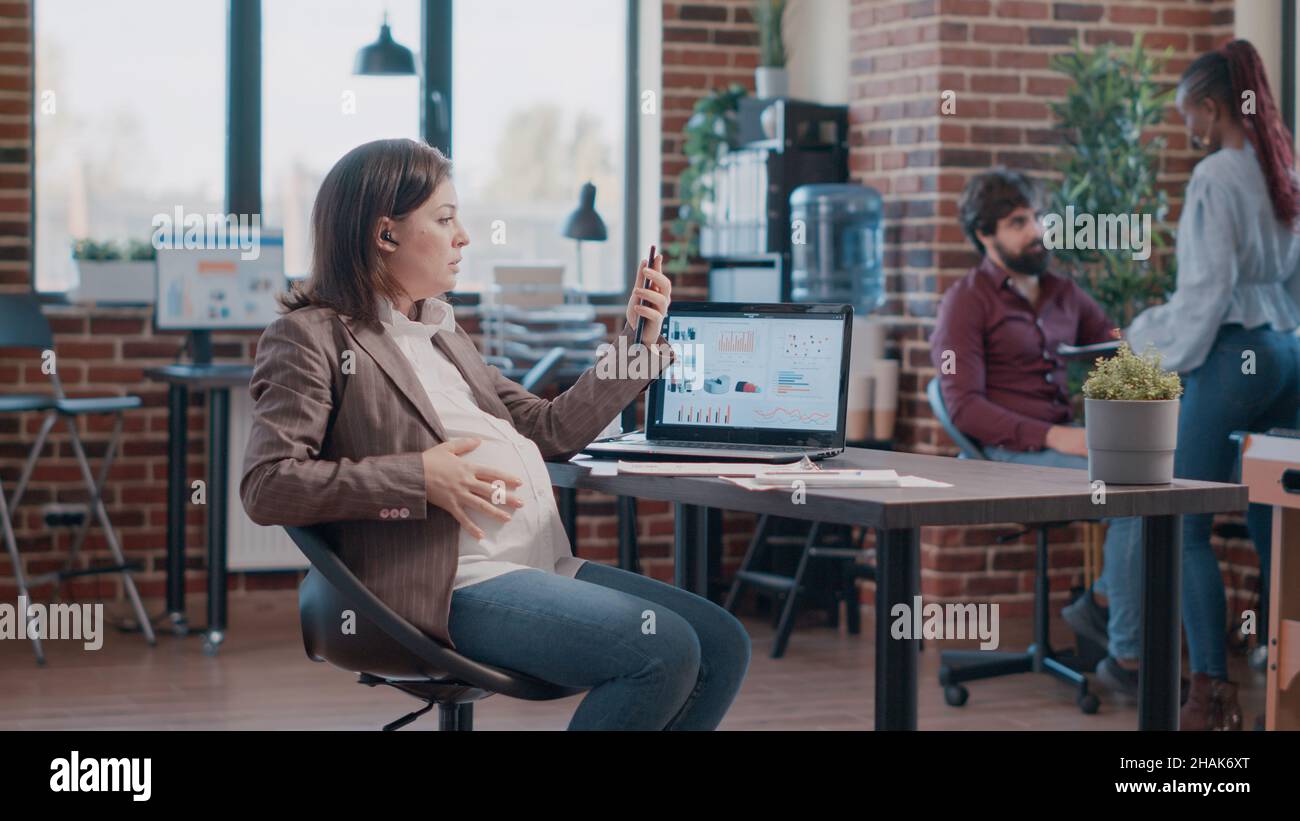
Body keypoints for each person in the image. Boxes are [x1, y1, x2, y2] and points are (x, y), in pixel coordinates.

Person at [240, 138, 751, 730]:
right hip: (446, 583)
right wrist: (419, 477)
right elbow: (268, 485)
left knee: (721, 642)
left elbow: (548, 428)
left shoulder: (441, 333)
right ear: (385, 235)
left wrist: (637, 347)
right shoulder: (312, 337)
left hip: (533, 565)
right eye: (445, 218)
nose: (463, 237)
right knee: (659, 650)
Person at [1125, 39, 1300, 731]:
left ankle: (1210, 699)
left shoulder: (1216, 179)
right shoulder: (1284, 168)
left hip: (1232, 358)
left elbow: (1205, 295)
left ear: (1210, 106)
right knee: (1276, 523)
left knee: (1185, 522)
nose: (1186, 131)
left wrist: (1149, 343)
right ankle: (1284, 683)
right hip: (1289, 355)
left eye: (1187, 117)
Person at [930, 169, 1144, 699]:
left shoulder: (1063, 293)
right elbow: (964, 407)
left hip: (1063, 443)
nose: (1037, 230)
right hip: (1004, 455)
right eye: (1019, 222)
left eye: (1040, 217)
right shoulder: (967, 300)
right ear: (986, 234)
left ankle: (1101, 607)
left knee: (1151, 482)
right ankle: (1124, 652)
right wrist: (1053, 436)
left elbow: (1117, 347)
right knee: (1136, 496)